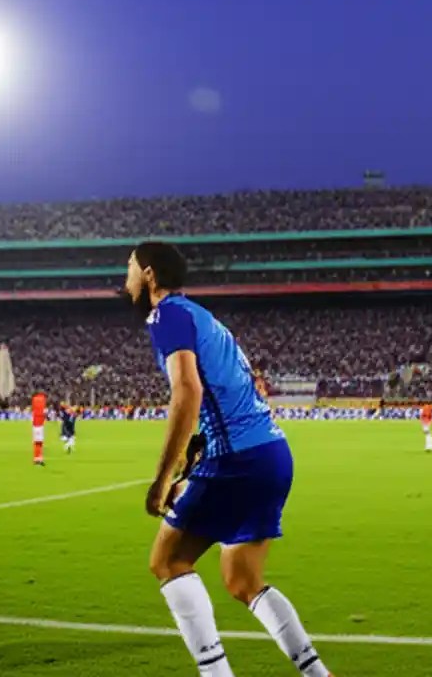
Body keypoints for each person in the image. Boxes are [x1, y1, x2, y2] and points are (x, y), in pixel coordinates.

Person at [125, 241, 332, 677]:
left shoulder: (166, 314)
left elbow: (188, 392)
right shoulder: (203, 317)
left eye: (129, 270)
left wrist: (162, 479)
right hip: (272, 454)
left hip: (238, 456)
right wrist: (195, 456)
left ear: (148, 274)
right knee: (243, 581)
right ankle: (318, 675)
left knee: (167, 561)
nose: (124, 281)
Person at [30, 391, 46, 466]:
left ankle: (37, 458)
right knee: (40, 443)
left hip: (35, 424)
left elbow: (33, 409)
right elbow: (44, 412)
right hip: (40, 424)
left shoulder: (34, 400)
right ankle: (39, 459)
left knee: (37, 442)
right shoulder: (43, 399)